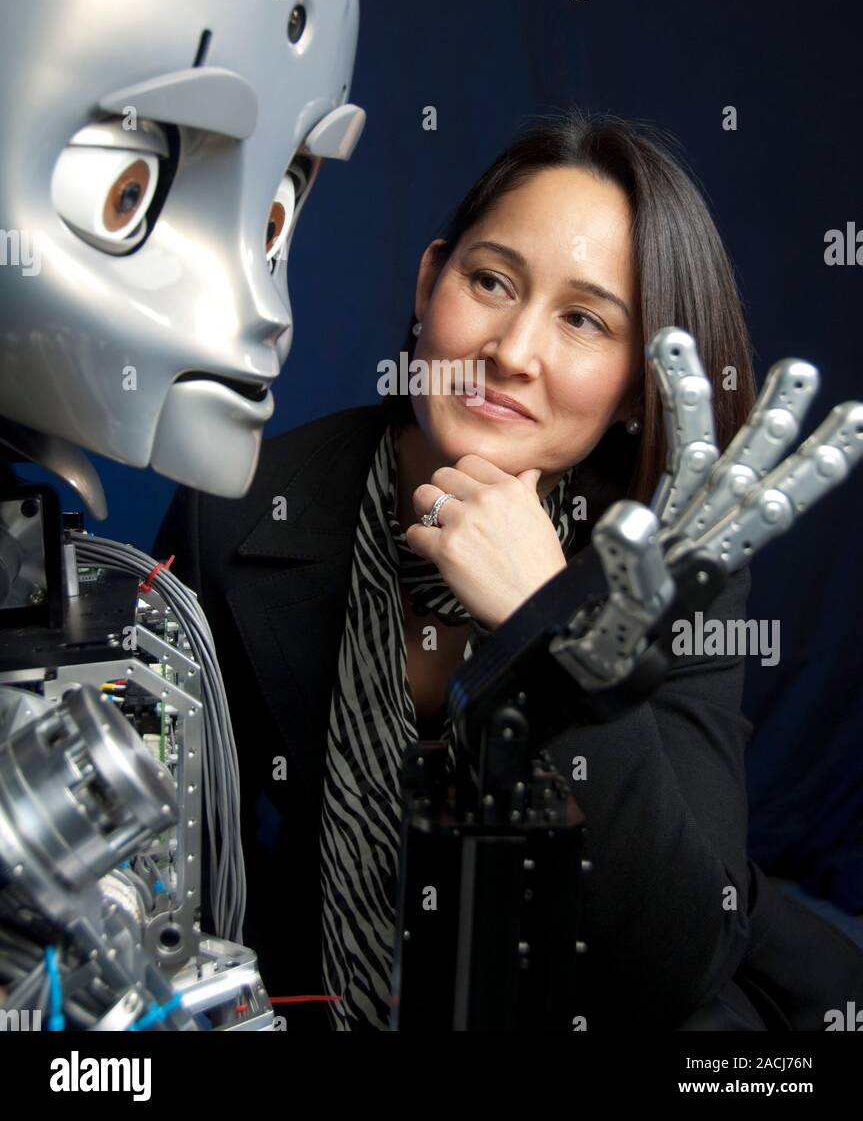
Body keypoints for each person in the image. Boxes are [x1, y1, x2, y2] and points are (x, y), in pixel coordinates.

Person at [153, 108, 863, 1031]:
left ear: (631, 388)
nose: (512, 354)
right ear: (426, 283)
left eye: (582, 320)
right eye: (490, 281)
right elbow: (193, 872)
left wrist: (545, 620)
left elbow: (675, 957)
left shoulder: (673, 558)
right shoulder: (239, 505)